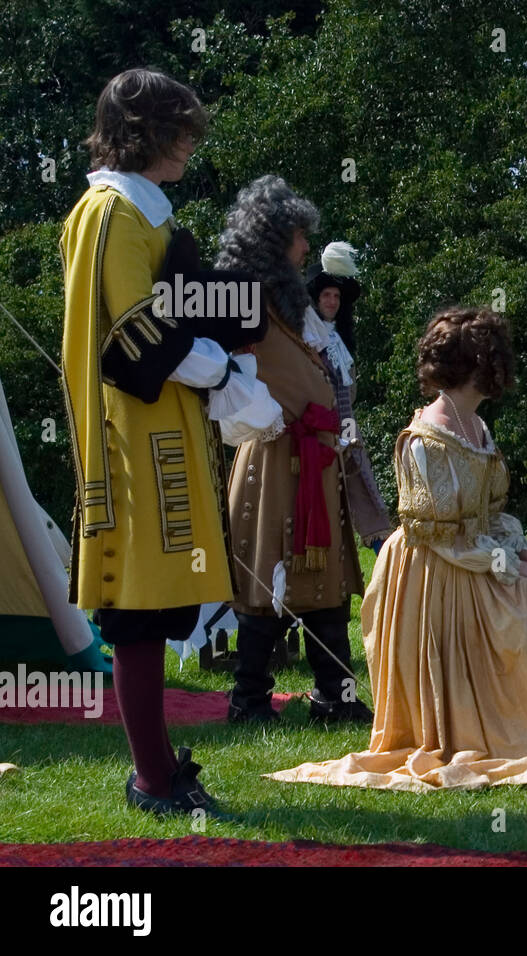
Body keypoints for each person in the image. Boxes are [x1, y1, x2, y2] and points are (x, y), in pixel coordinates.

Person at [269, 307, 527, 790]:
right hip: (436, 575)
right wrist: (515, 570)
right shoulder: (426, 439)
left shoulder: (476, 426)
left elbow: (490, 515)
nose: (502, 372)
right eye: (495, 362)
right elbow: (437, 533)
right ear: (475, 367)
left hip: (476, 557)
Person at [59, 69, 264, 814]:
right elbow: (133, 326)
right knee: (135, 611)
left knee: (159, 606)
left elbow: (179, 306)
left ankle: (158, 771)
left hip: (163, 428)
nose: (189, 143)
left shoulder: (144, 211)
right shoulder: (111, 210)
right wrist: (221, 374)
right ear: (145, 132)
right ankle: (151, 776)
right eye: (178, 129)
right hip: (130, 438)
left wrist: (228, 356)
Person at [215, 176, 371, 724]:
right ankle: (249, 698)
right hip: (275, 458)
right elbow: (229, 382)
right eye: (300, 236)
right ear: (274, 238)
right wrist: (278, 420)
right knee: (269, 574)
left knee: (324, 574)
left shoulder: (289, 303)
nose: (307, 248)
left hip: (315, 457)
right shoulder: (246, 303)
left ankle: (336, 694)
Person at [305, 242, 394, 553]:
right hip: (315, 433)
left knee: (367, 496)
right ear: (315, 299)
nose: (332, 301)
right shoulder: (305, 336)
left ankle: (387, 558)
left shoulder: (339, 340)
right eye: (326, 295)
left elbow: (349, 390)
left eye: (336, 296)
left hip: (346, 431)